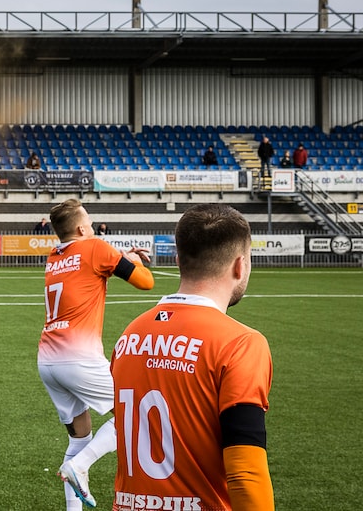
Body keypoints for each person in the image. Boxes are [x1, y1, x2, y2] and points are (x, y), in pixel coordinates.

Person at [110, 204, 273, 511]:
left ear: (178, 261)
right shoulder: (241, 343)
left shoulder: (130, 335)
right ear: (240, 265)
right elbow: (246, 473)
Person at [46, 199, 155, 510]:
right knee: (132, 416)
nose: (92, 228)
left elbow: (87, 264)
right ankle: (81, 466)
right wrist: (133, 262)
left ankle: (74, 499)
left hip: (48, 361)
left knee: (78, 440)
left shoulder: (54, 256)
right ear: (82, 228)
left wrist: (122, 257)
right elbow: (146, 283)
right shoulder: (95, 247)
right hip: (78, 359)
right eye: (90, 224)